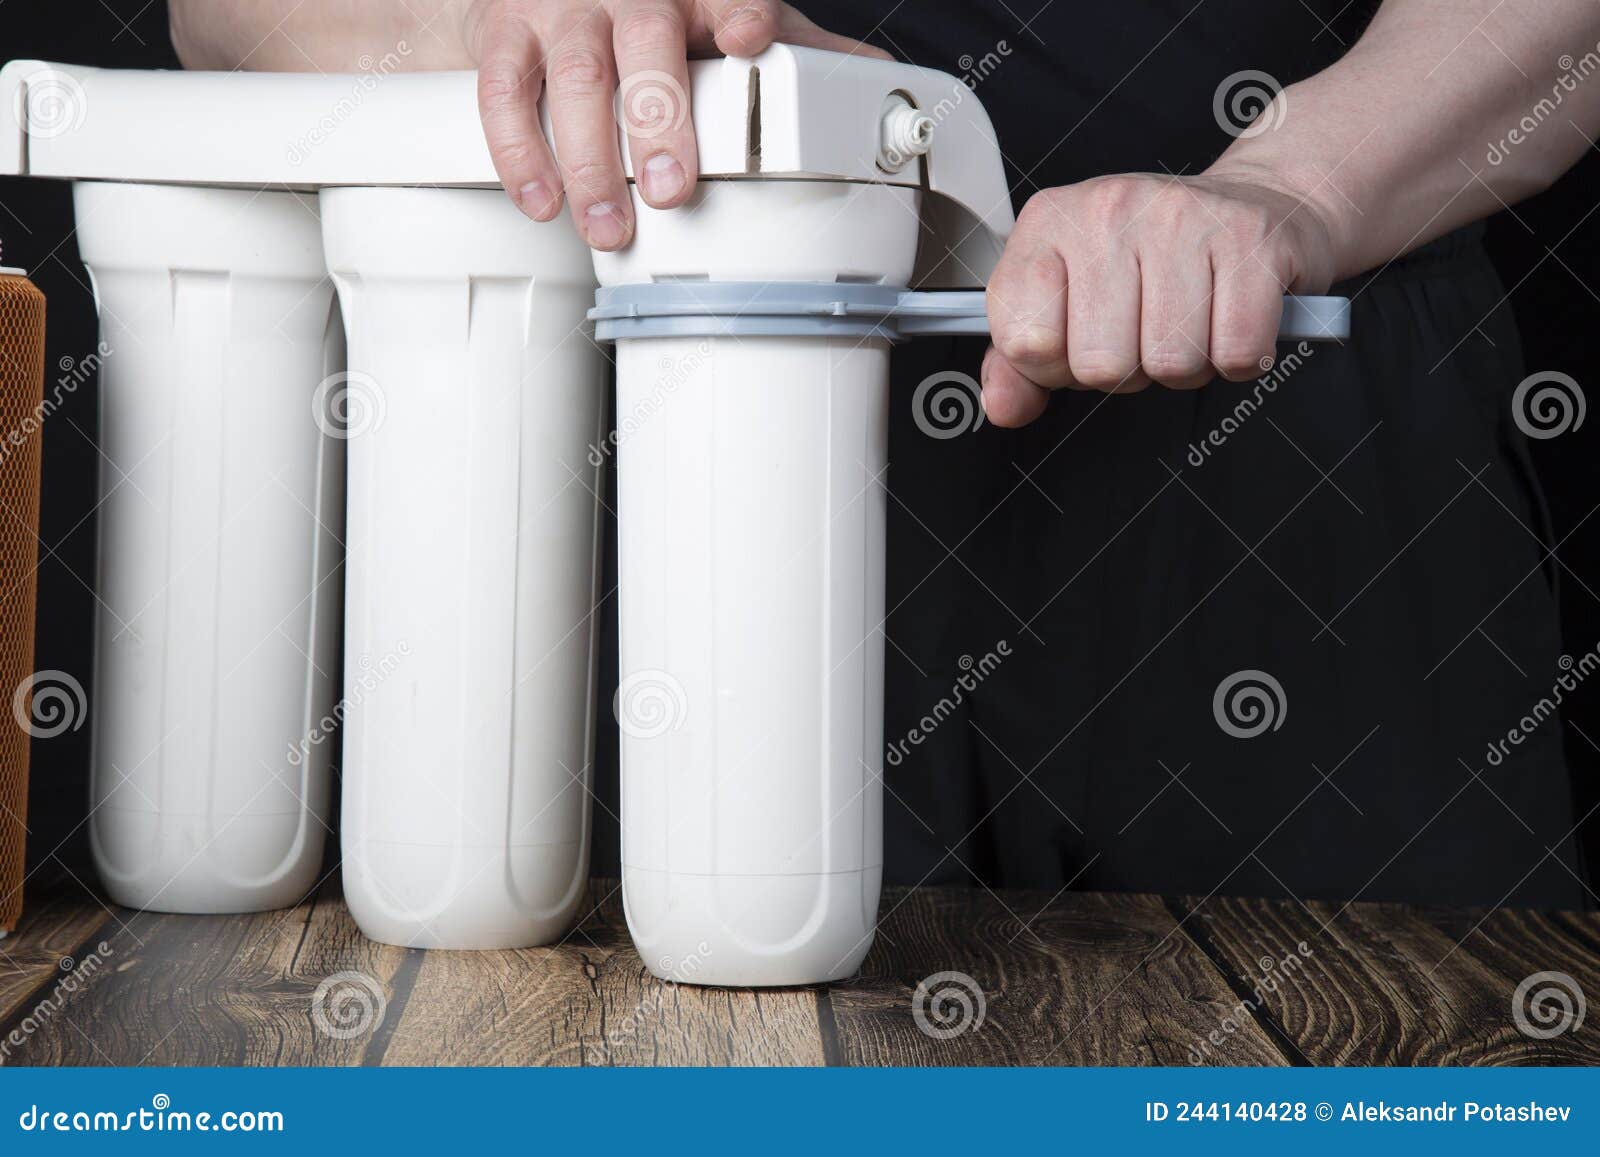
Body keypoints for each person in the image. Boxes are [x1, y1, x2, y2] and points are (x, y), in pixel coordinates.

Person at [171, 0, 1600, 909]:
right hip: (676, 461)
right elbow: (227, 12)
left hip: (1287, 437)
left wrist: (1290, 183)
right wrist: (502, 19)